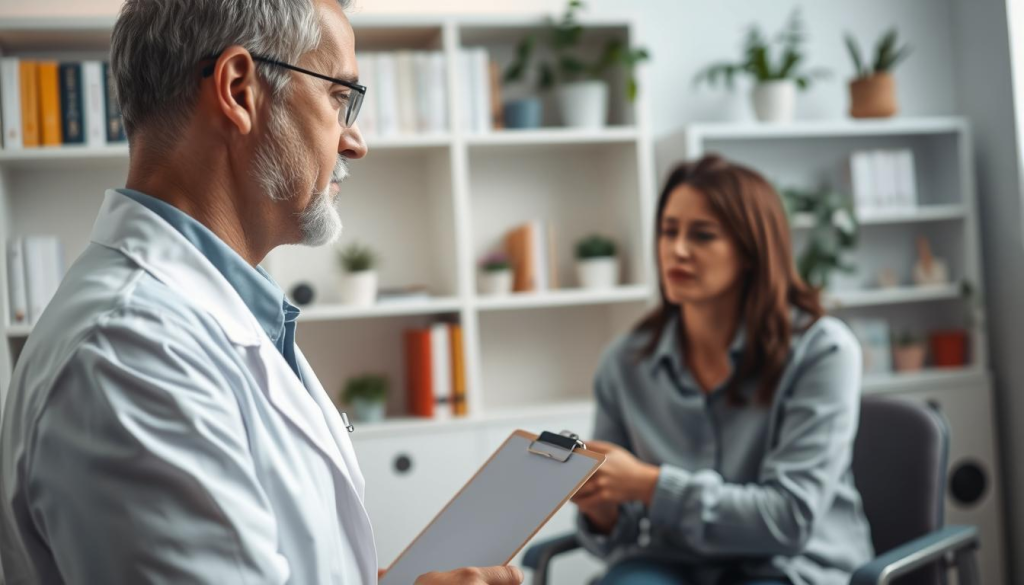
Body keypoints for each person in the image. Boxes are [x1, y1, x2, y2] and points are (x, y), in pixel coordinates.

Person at [0, 1, 522, 584]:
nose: (354, 142)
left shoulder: (221, 312)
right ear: (240, 89)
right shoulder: (131, 353)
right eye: (337, 96)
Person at [570, 155, 874, 585]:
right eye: (668, 231)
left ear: (750, 251)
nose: (676, 250)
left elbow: (789, 519)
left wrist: (649, 485)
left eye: (702, 235)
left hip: (789, 566)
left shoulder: (822, 351)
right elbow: (621, 537)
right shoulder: (624, 362)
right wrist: (602, 507)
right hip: (669, 564)